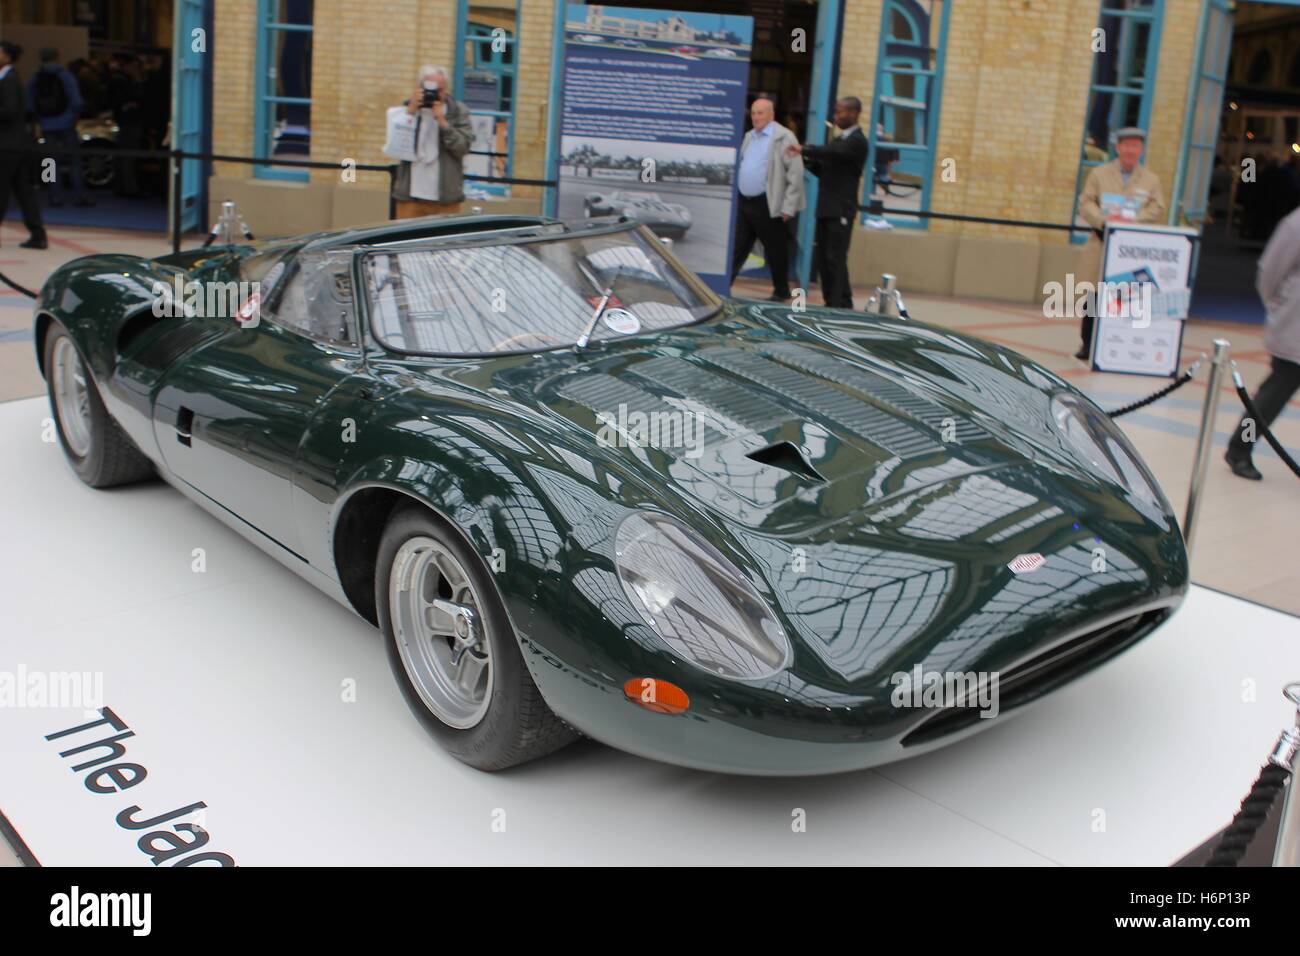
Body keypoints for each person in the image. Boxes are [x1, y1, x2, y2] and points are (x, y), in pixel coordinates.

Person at [1075, 127, 1165, 359]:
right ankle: (1087, 344)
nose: (1131, 150)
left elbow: (1157, 207)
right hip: (1101, 242)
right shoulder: (1100, 174)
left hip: (1130, 250)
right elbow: (1085, 203)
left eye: (1135, 146)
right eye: (1126, 145)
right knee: (1095, 296)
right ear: (1118, 147)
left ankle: (1116, 346)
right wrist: (1104, 221)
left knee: (1123, 296)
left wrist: (1133, 220)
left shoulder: (1150, 180)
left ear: (1141, 150)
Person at [1224, 204, 1300, 481]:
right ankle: (1239, 448)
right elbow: (1269, 272)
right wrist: (1280, 306)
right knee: (1275, 393)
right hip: (1295, 327)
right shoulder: (1295, 224)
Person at [787, 96, 868, 308]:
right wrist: (803, 160)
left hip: (841, 209)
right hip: (826, 208)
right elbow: (824, 169)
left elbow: (833, 154)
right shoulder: (840, 140)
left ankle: (842, 302)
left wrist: (805, 149)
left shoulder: (857, 142)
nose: (836, 115)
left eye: (840, 111)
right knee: (824, 257)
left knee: (835, 257)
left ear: (852, 113)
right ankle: (830, 300)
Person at [729, 97, 804, 301]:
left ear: (771, 114)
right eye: (753, 113)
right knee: (738, 247)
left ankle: (781, 291)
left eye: (760, 113)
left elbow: (795, 174)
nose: (755, 117)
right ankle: (725, 285)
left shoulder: (784, 137)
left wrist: (789, 206)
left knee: (775, 249)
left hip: (769, 203)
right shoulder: (749, 136)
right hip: (746, 202)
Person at [391, 65, 474, 218]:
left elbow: (462, 147)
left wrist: (443, 122)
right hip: (410, 198)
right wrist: (410, 112)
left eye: (439, 90)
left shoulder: (457, 111)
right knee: (405, 241)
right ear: (419, 88)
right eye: (429, 89)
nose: (434, 94)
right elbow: (394, 146)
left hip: (445, 200)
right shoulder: (407, 110)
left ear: (446, 89)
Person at [28, 47, 91, 208]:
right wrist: (72, 118)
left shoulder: (35, 78)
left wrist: (40, 120)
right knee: (74, 161)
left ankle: (54, 195)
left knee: (49, 162)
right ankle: (80, 195)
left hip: (46, 125)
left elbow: (29, 105)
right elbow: (77, 101)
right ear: (57, 57)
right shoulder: (65, 76)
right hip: (67, 124)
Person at [0, 41, 48, 249]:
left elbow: (9, 111)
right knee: (23, 191)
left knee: (3, 191)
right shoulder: (10, 78)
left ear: (7, 57)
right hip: (17, 144)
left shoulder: (9, 80)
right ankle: (37, 234)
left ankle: (38, 234)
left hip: (7, 144)